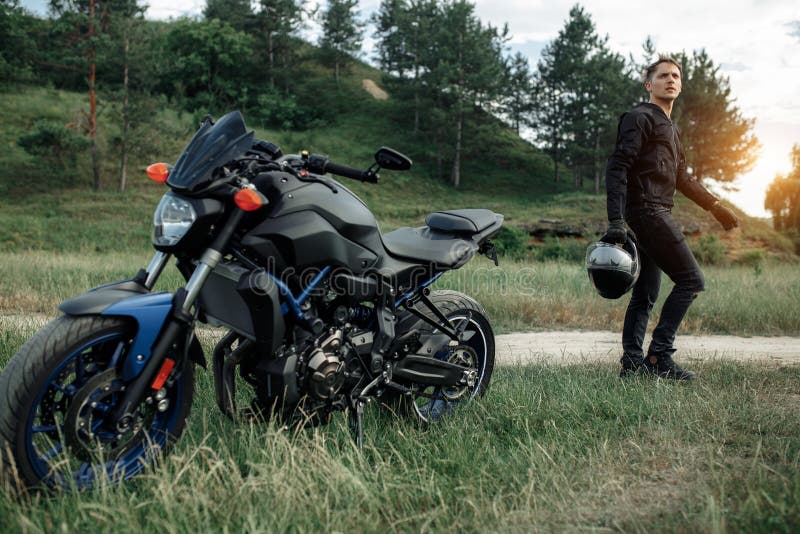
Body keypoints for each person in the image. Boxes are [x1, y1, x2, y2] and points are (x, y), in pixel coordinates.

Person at [603, 56, 739, 380]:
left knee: (646, 292)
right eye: (663, 75)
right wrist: (616, 221)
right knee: (692, 281)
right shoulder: (639, 118)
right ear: (649, 85)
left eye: (676, 75)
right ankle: (658, 358)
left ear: (680, 84)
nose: (671, 79)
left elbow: (683, 178)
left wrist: (715, 205)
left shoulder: (673, 130)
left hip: (655, 210)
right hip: (647, 210)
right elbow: (618, 166)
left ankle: (632, 363)